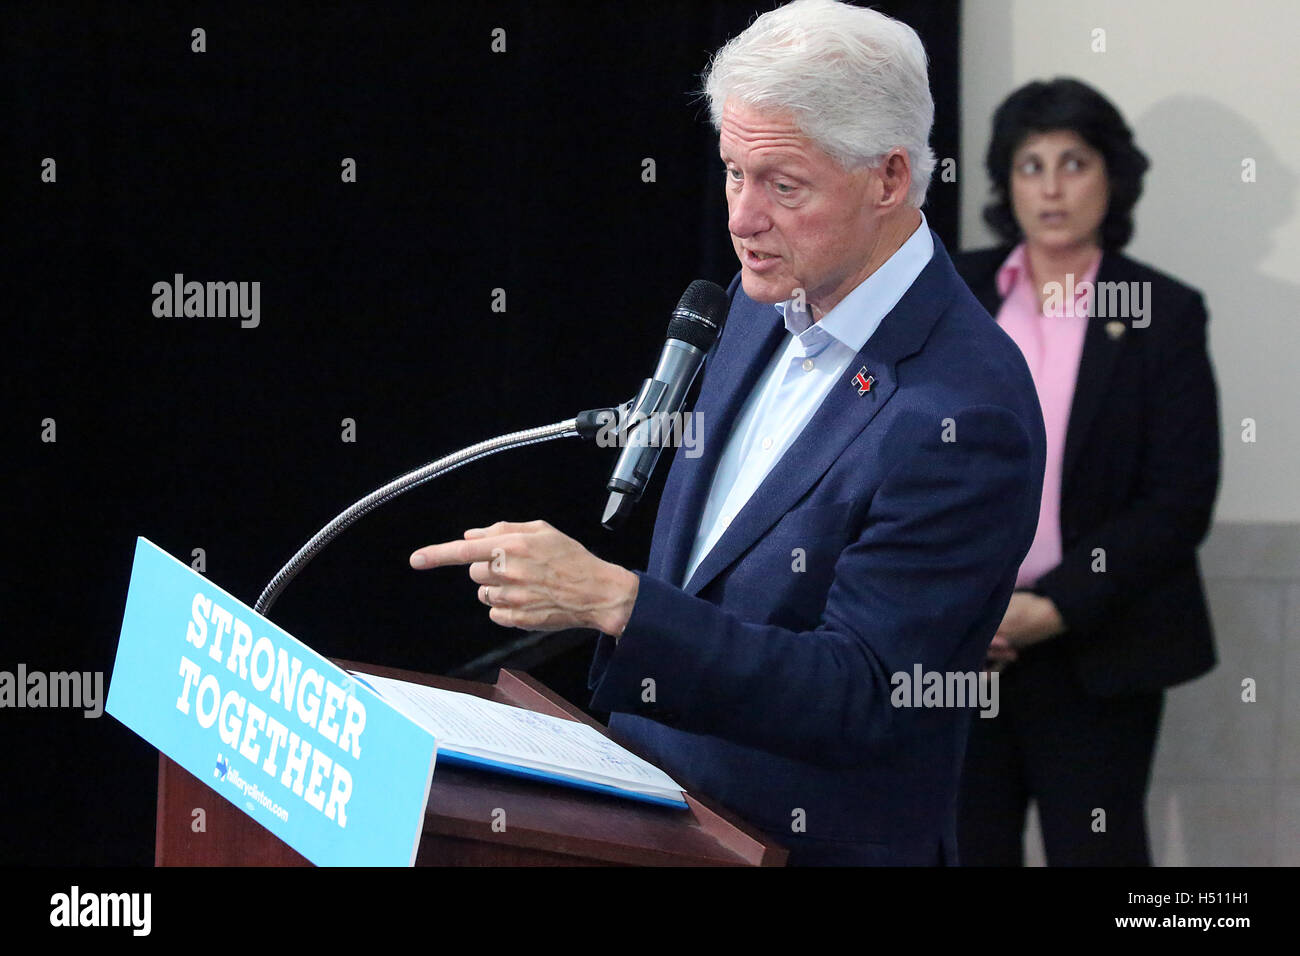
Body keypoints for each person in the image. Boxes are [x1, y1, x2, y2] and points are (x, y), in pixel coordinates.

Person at [409, 0, 1046, 865]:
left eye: (783, 186)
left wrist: (616, 602)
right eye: (732, 173)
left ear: (889, 178)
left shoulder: (965, 410)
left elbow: (865, 693)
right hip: (651, 820)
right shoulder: (756, 307)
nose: (743, 218)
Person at [952, 78, 1220, 866]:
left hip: (1101, 642)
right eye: (1030, 165)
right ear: (1007, 183)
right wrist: (971, 603)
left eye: (1074, 162)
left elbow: (1180, 499)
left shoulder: (1160, 311)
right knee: (963, 848)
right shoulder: (954, 294)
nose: (1052, 186)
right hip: (965, 639)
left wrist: (1053, 607)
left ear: (1112, 177)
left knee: (1096, 853)